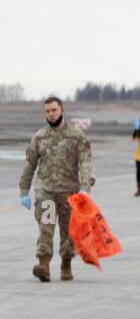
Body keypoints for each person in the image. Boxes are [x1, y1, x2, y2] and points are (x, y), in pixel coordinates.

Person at [19, 96, 94, 282]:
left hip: (70, 192)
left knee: (68, 231)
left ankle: (66, 264)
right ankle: (43, 265)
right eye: (47, 111)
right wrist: (24, 190)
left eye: (53, 110)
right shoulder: (39, 137)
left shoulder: (76, 136)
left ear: (62, 110)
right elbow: (30, 165)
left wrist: (85, 188)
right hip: (46, 191)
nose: (50, 114)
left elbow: (85, 163)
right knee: (46, 226)